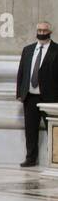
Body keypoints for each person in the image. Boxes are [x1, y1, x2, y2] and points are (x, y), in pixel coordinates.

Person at [15, 20, 57, 166]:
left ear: (50, 32)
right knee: (30, 129)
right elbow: (22, 72)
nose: (41, 33)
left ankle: (54, 157)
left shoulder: (56, 50)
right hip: (30, 96)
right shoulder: (28, 49)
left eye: (44, 31)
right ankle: (31, 158)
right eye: (39, 30)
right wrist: (20, 92)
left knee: (52, 129)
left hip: (49, 97)